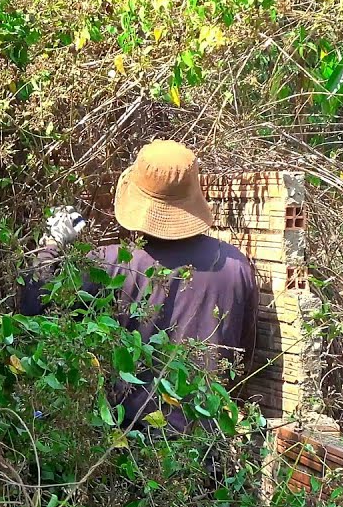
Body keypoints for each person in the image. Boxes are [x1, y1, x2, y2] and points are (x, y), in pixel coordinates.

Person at [19, 139, 258, 434]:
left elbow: (31, 308)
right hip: (208, 452)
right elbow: (242, 360)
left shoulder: (111, 264)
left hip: (127, 451)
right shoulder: (236, 266)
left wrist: (52, 245)